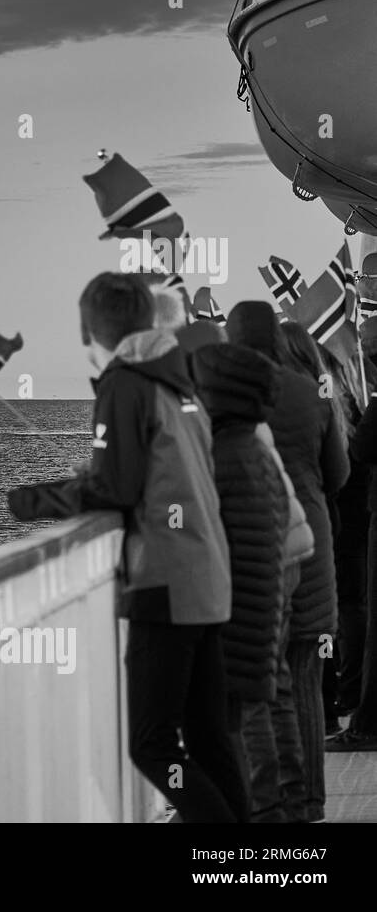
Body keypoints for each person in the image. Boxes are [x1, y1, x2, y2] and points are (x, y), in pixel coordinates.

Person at [7, 273, 243, 821]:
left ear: (88, 329)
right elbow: (155, 470)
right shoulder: (173, 379)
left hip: (166, 579)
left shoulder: (123, 383)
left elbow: (118, 488)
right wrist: (103, 469)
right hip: (208, 573)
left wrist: (33, 499)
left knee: (152, 743)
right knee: (210, 742)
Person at [227, 306, 348, 822]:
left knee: (257, 684)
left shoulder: (229, 393)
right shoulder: (310, 392)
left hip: (254, 550)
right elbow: (338, 472)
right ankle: (310, 803)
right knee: (305, 675)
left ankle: (265, 800)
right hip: (313, 542)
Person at [188, 338, 290, 819]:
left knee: (230, 738)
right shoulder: (251, 448)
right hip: (254, 617)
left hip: (230, 623)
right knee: (244, 727)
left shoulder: (224, 457)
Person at [332, 318, 377, 750]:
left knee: (353, 603)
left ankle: (354, 703)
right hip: (357, 509)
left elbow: (359, 451)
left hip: (351, 510)